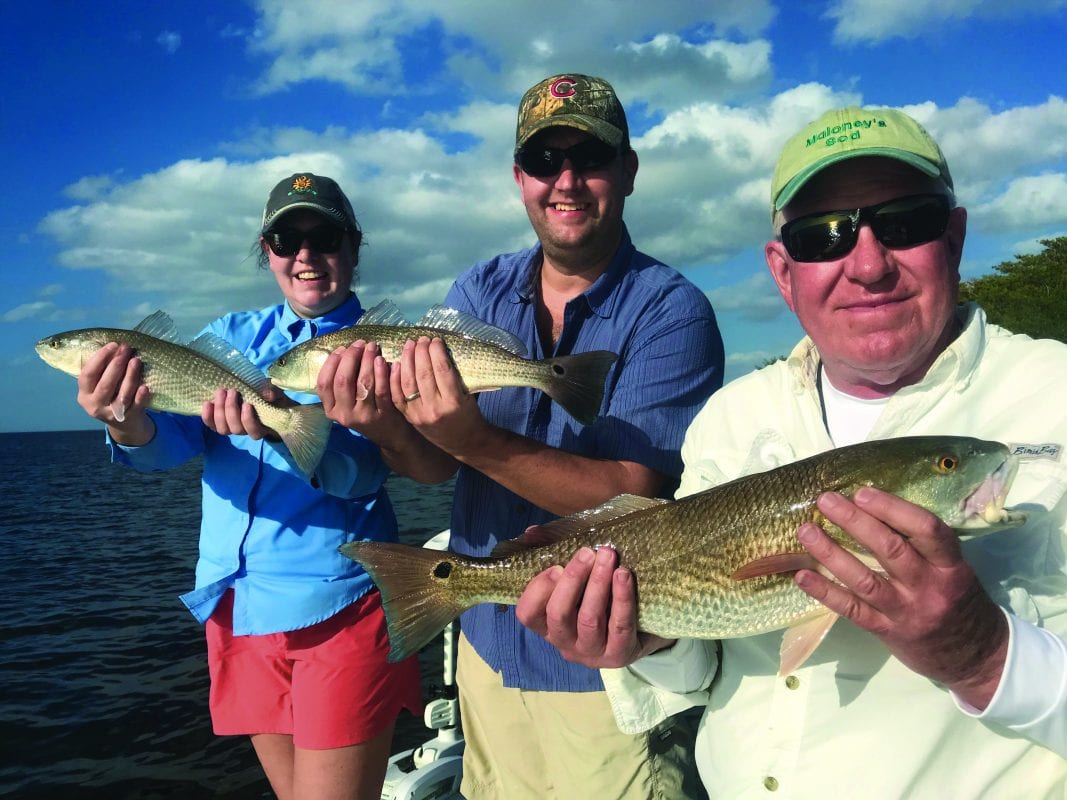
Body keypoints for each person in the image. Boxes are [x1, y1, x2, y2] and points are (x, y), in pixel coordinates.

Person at [516, 106, 1067, 797]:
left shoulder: (1054, 396)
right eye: (822, 236)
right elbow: (700, 669)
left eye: (904, 223)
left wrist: (985, 657)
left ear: (952, 238)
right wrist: (643, 642)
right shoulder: (732, 416)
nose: (867, 264)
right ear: (782, 270)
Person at [319, 73, 724, 798]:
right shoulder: (476, 291)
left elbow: (630, 493)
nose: (564, 181)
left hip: (602, 666)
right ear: (518, 178)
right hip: (485, 645)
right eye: (544, 162)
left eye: (589, 158)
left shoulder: (673, 312)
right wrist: (381, 423)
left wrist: (475, 440)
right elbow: (432, 469)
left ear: (627, 171)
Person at [70, 173, 422, 800]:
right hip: (235, 605)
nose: (306, 255)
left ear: (354, 246)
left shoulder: (380, 350)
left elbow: (369, 473)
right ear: (268, 251)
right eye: (288, 239)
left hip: (339, 604)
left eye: (326, 236)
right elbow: (168, 447)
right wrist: (125, 422)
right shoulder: (229, 337)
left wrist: (285, 431)